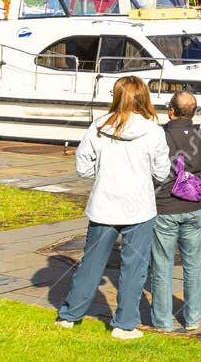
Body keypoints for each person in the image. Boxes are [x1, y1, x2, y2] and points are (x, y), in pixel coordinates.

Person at [56, 75, 170, 339]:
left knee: (91, 263)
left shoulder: (98, 126)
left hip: (104, 204)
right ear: (144, 97)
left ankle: (70, 315)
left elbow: (83, 168)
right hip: (139, 207)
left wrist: (105, 171)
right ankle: (124, 323)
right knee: (134, 268)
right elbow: (162, 172)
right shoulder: (153, 130)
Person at [148, 91, 201, 333]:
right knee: (193, 265)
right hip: (193, 207)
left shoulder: (160, 135)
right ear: (193, 112)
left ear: (171, 110)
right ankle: (193, 317)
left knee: (162, 265)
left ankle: (162, 320)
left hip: (165, 207)